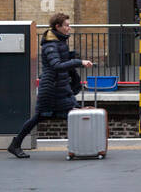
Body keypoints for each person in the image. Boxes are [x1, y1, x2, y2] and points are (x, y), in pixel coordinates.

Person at [6, 13, 93, 158]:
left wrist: (71, 56)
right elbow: (56, 65)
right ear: (57, 27)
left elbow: (60, 60)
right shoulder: (50, 45)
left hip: (60, 87)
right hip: (51, 89)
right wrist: (79, 62)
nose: (69, 28)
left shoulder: (59, 42)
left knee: (73, 114)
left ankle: (81, 146)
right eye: (66, 25)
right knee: (45, 116)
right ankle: (82, 147)